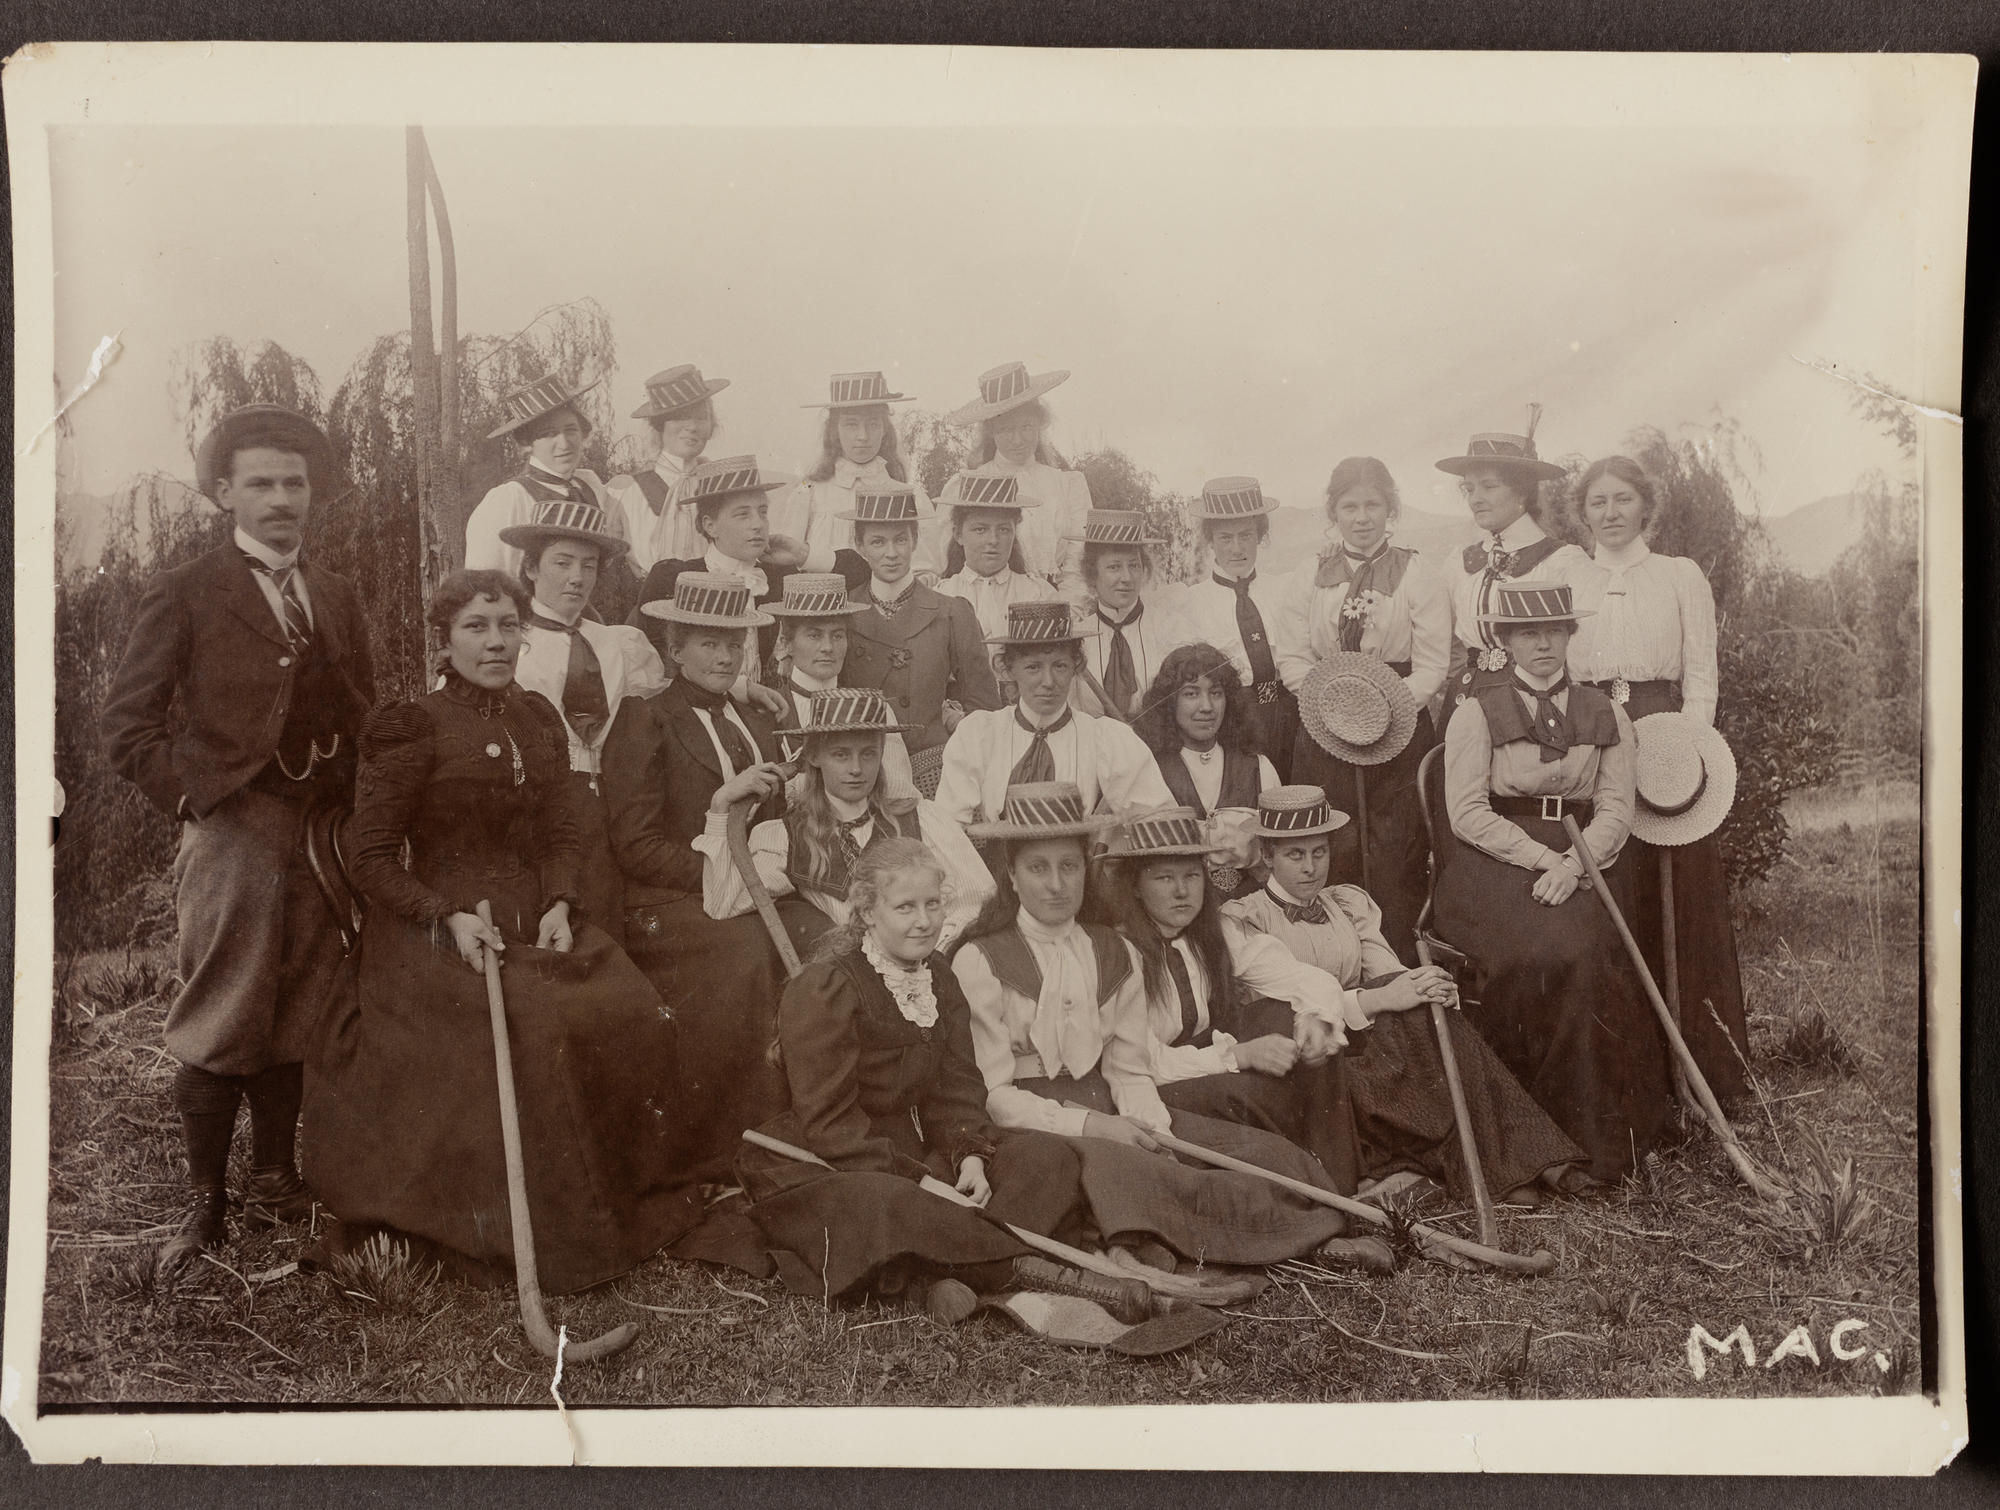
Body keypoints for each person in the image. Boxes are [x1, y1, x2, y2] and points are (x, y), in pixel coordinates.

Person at [300, 570, 701, 1293]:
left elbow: (560, 830)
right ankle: (536, 1226)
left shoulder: (537, 718)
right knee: (534, 1024)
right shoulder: (411, 725)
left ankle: (613, 1197)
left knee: (630, 1005)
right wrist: (442, 916)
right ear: (444, 642)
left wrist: (560, 903)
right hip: (431, 931)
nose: (495, 642)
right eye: (476, 628)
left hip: (532, 918)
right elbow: (370, 856)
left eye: (508, 626)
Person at [101, 405, 376, 1268]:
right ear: (224, 494)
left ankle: (274, 1178)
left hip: (320, 831)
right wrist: (195, 801)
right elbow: (128, 724)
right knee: (224, 1006)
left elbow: (363, 709)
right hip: (234, 828)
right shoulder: (186, 588)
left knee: (299, 1004)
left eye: (295, 484)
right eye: (260, 483)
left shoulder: (336, 594)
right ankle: (205, 1201)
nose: (281, 499)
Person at [950, 784, 1382, 1270]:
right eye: (1037, 868)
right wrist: (1096, 1125)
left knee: (1262, 1154)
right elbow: (993, 1095)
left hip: (1118, 1103)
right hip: (1037, 1124)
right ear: (1010, 874)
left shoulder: (1115, 951)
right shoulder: (980, 960)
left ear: (1086, 869)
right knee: (1148, 1176)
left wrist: (1154, 1129)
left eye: (1068, 866)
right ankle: (1293, 1240)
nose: (1056, 884)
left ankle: (1316, 1229)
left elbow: (1129, 1071)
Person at [729, 838, 1146, 1322]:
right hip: (840, 1159)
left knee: (1046, 1157)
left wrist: (970, 1157)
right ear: (867, 911)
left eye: (932, 904)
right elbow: (830, 1125)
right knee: (889, 1204)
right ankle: (1040, 1275)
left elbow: (958, 1089)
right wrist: (922, 1181)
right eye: (905, 907)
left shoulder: (940, 976)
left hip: (924, 1150)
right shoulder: (826, 987)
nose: (924, 921)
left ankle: (940, 1276)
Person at [1223, 785, 1587, 1204]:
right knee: (1411, 1017)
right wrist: (1389, 996)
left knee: (1420, 1004)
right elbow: (1296, 1002)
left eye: (1319, 852)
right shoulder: (1243, 919)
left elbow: (1388, 973)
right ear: (1267, 856)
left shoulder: (1346, 904)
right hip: (1314, 1063)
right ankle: (1528, 1159)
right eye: (1295, 855)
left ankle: (1503, 1165)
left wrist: (1423, 985)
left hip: (1371, 1040)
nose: (1310, 867)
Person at [1432, 580, 1669, 1182]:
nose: (1542, 644)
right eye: (1528, 633)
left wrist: (1574, 863)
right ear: (1507, 641)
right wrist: (1544, 860)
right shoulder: (1476, 711)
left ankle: (1597, 1139)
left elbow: (1616, 809)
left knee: (1588, 952)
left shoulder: (1606, 712)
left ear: (1570, 635)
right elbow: (1466, 814)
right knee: (1536, 955)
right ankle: (1526, 1137)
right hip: (1494, 860)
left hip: (1585, 854)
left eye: (1554, 631)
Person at [1559, 455, 1747, 1100]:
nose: (1610, 513)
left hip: (1663, 732)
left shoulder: (1678, 574)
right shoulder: (1568, 576)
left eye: (1623, 499)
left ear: (1646, 506)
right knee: (1610, 887)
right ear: (1582, 513)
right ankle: (1632, 1084)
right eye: (1598, 502)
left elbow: (1701, 675)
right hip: (1589, 733)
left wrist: (1682, 751)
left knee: (1678, 894)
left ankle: (1701, 1074)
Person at [602, 572, 794, 1177]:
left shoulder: (754, 718)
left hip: (751, 888)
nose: (724, 657)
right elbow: (636, 845)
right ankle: (730, 1148)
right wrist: (726, 878)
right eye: (708, 643)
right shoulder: (645, 717)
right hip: (668, 898)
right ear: (675, 648)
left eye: (734, 643)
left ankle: (807, 1127)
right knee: (746, 954)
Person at [1092, 803, 1371, 1214]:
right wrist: (1238, 1055)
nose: (1182, 891)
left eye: (1192, 876)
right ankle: (1315, 1191)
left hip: (1213, 1064)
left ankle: (1340, 1182)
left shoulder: (1214, 932)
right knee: (1250, 1093)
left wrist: (1316, 1018)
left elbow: (1305, 978)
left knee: (1286, 1014)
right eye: (1165, 878)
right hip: (1158, 1088)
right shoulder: (1118, 953)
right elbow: (1143, 1065)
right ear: (1135, 886)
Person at [1276, 457, 1449, 960]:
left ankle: (1398, 968)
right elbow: (1292, 655)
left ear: (1390, 508)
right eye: (1349, 506)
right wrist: (1332, 708)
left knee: (1398, 854)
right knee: (1335, 845)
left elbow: (1433, 665)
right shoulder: (1310, 574)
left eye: (1373, 505)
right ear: (1333, 511)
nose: (1362, 517)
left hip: (1399, 731)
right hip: (1325, 729)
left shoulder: (1417, 572)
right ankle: (1336, 967)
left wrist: (1384, 712)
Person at [696, 687, 994, 954]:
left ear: (882, 753)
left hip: (937, 962)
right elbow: (723, 904)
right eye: (841, 755)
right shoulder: (787, 837)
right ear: (814, 756)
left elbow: (978, 899)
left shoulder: (920, 819)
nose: (856, 769)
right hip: (853, 980)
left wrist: (935, 951)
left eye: (868, 754)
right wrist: (720, 806)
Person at [498, 492, 667, 930]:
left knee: (607, 921)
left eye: (588, 566)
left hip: (610, 805)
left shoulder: (618, 643)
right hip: (537, 806)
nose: (577, 578)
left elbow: (664, 700)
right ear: (531, 568)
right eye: (562, 562)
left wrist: (742, 687)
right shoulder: (507, 642)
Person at [933, 601, 1174, 827]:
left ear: (1075, 667)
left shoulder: (1104, 737)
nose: (1048, 682)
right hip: (998, 859)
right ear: (1010, 670)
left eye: (1060, 666)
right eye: (1033, 667)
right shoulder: (980, 733)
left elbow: (1157, 819)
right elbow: (948, 826)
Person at [1435, 408, 1588, 721]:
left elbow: (1580, 650)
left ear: (1522, 491)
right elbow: (1442, 642)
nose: (1476, 499)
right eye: (1470, 489)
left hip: (1534, 701)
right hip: (1467, 700)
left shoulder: (1562, 561)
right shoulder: (1460, 562)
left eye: (1489, 486)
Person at [628, 455, 798, 719]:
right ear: (710, 525)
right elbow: (651, 664)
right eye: (743, 514)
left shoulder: (777, 579)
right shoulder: (674, 578)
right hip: (692, 719)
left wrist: (802, 556)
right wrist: (741, 688)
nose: (758, 524)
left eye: (762, 512)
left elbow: (856, 574)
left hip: (762, 718)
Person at [838, 482, 1001, 757]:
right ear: (859, 545)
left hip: (933, 765)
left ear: (915, 539)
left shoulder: (952, 612)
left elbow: (984, 708)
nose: (891, 553)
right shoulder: (844, 613)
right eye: (878, 542)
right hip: (863, 766)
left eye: (901, 539)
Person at [1131, 643, 1278, 903]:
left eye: (1216, 693)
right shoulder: (1150, 770)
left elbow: (1278, 856)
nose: (1207, 706)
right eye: (1191, 694)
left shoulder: (1257, 767)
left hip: (1252, 907)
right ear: (1170, 702)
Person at [1181, 477, 1300, 783]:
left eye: (1246, 535)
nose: (1236, 548)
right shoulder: (1191, 603)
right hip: (1235, 721)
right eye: (1225, 538)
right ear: (1210, 540)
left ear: (1260, 535)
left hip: (1289, 715)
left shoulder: (1284, 590)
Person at [942, 360, 1093, 594]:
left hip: (1055, 600)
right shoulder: (969, 485)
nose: (1018, 440)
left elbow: (1078, 558)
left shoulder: (1068, 485)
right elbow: (947, 559)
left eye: (1026, 427)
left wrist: (1067, 606)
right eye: (1006, 429)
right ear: (991, 432)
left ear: (1040, 424)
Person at [775, 370, 943, 579]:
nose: (863, 436)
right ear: (834, 430)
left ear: (885, 430)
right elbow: (788, 561)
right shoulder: (807, 491)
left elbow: (926, 572)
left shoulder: (912, 497)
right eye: (851, 425)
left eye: (873, 424)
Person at [464, 376, 621, 582]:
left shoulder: (590, 485)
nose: (564, 443)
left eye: (571, 430)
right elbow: (483, 584)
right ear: (526, 443)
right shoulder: (508, 500)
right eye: (549, 434)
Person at [932, 470, 1062, 696]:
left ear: (1014, 533)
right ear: (958, 534)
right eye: (980, 529)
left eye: (1003, 529)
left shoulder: (1039, 594)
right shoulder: (940, 597)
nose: (993, 540)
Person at [605, 363, 730, 577]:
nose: (692, 427)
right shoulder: (626, 492)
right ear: (659, 424)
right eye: (680, 416)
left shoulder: (722, 487)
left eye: (701, 417)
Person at [1066, 509, 1189, 722]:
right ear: (1092, 574)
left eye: (1134, 565)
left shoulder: (1171, 628)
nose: (1127, 578)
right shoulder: (1076, 639)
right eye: (1114, 567)